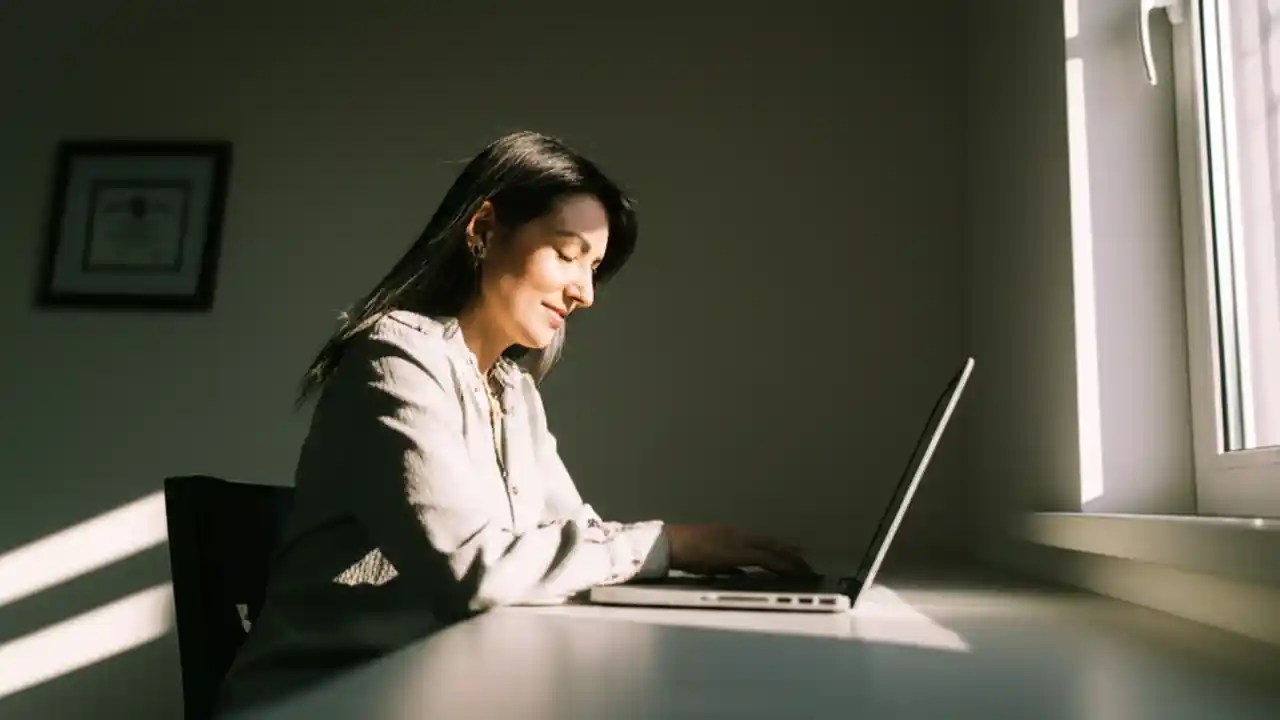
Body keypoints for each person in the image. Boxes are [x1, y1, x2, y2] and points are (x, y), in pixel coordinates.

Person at [215, 130, 812, 714]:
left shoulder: (513, 392)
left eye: (594, 268)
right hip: (326, 702)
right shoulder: (393, 358)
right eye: (567, 254)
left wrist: (685, 569)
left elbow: (573, 537)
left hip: (434, 693)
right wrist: (670, 543)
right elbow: (476, 570)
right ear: (483, 230)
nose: (586, 293)